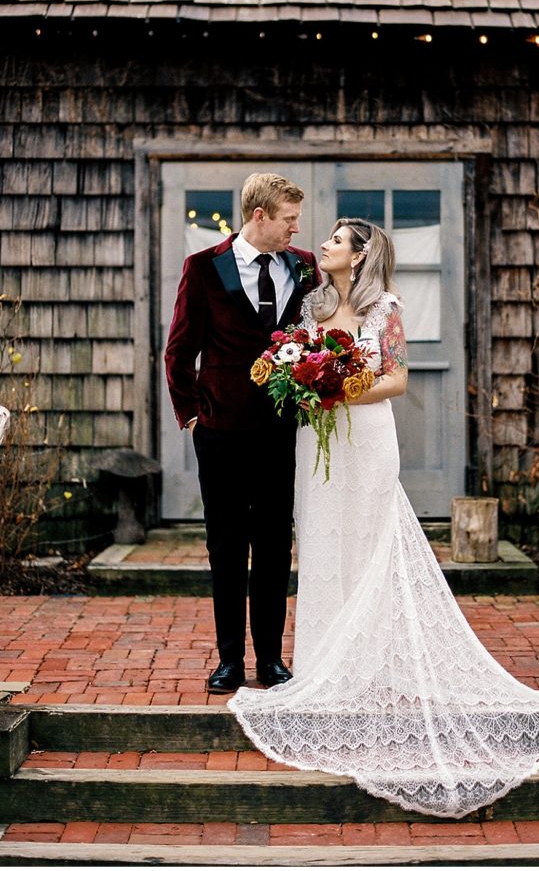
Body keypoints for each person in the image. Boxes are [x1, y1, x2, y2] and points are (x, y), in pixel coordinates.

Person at [227, 218, 539, 818]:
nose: (323, 245)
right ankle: (326, 669)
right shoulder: (312, 304)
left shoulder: (385, 307)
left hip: (365, 437)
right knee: (321, 545)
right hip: (317, 442)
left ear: (359, 254)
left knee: (370, 545)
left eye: (336, 241)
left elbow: (396, 380)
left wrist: (338, 391)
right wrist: (302, 382)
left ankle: (371, 667)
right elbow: (293, 363)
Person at [165, 172, 316, 694]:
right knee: (226, 547)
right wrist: (190, 415)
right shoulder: (204, 268)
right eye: (289, 220)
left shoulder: (305, 267)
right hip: (221, 432)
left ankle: (271, 661)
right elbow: (179, 350)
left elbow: (316, 337)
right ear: (259, 216)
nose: (297, 229)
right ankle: (229, 659)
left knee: (275, 545)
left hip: (282, 433)